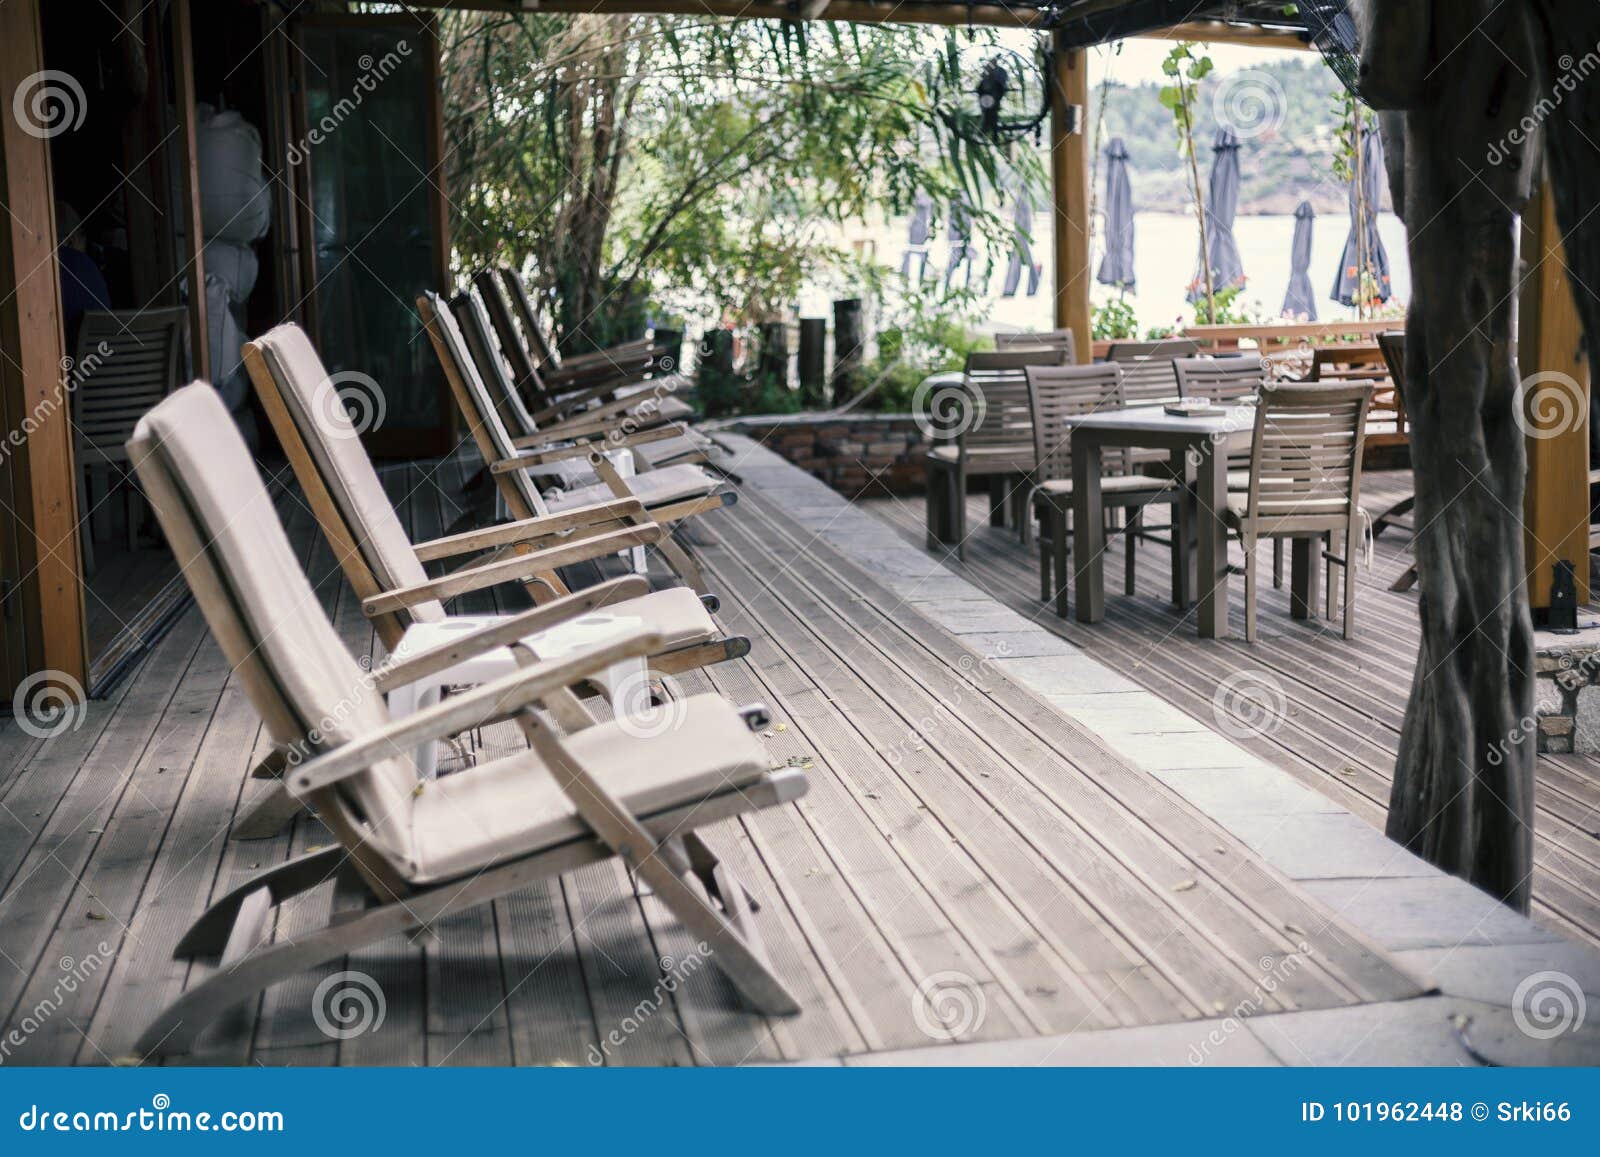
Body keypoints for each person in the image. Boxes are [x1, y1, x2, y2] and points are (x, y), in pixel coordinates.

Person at [56, 201, 111, 341]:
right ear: (71, 240)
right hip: (108, 352)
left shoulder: (46, 271)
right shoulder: (88, 266)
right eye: (83, 235)